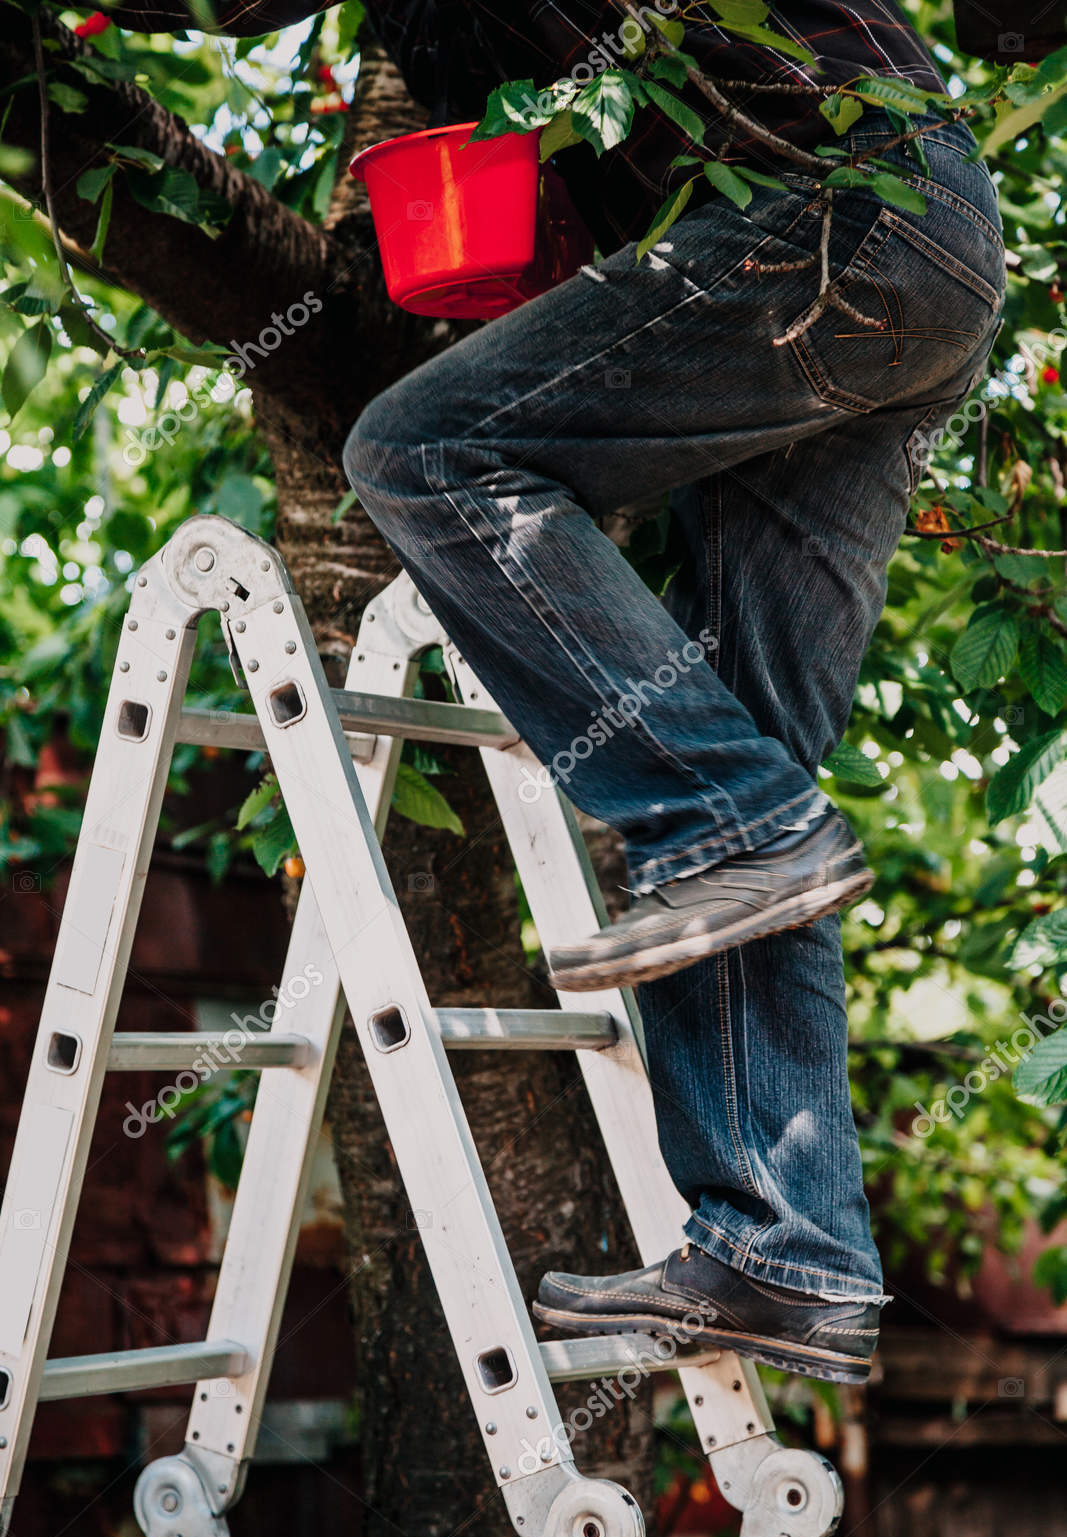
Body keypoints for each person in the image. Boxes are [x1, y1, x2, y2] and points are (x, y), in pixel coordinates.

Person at [343, 3, 1007, 1384]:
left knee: (424, 452)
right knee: (755, 764)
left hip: (836, 227)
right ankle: (785, 1249)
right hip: (924, 246)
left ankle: (730, 818)